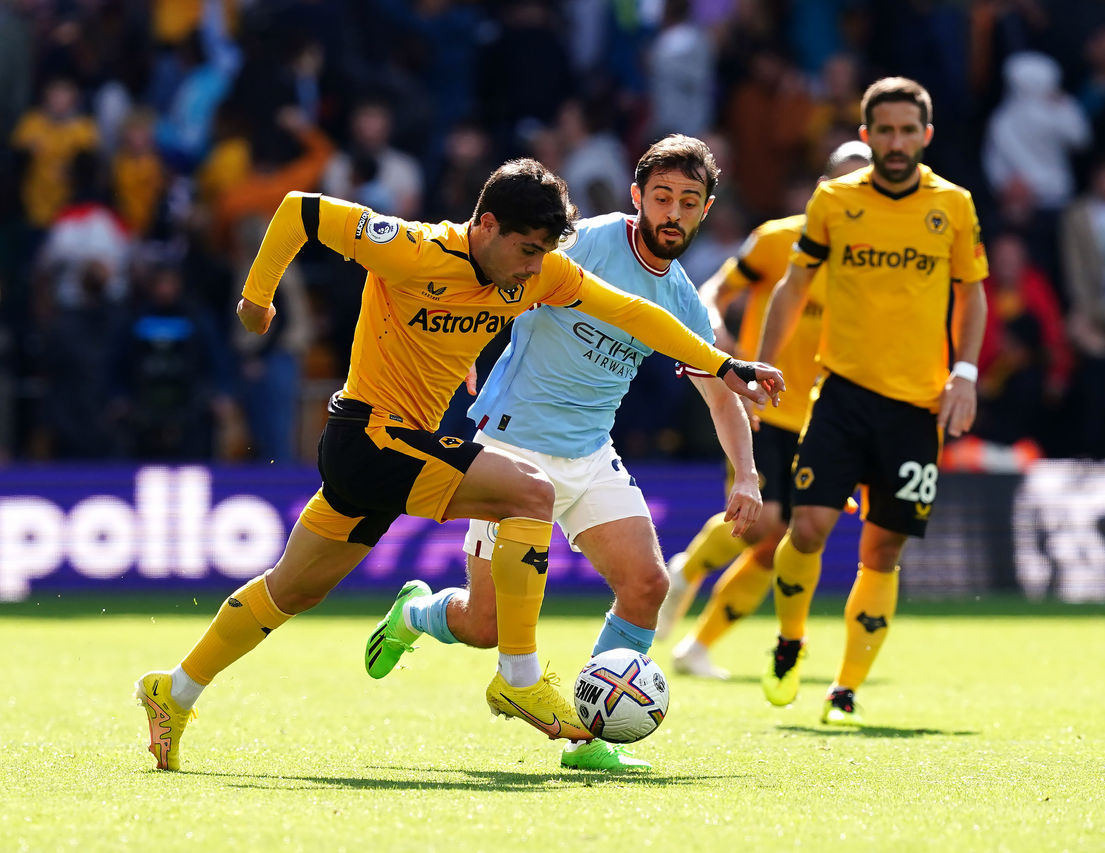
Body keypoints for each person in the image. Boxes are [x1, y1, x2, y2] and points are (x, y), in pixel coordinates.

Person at [134, 158, 782, 771]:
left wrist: (726, 365)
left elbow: (633, 312)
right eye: (527, 250)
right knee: (529, 492)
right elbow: (300, 209)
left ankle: (174, 689)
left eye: (544, 253)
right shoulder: (411, 248)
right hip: (368, 436)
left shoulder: (539, 272)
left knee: (291, 590)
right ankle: (519, 679)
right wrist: (257, 297)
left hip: (399, 448)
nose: (535, 268)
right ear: (488, 225)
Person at [363, 135, 761, 772]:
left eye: (689, 202)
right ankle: (414, 612)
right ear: (637, 196)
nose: (673, 213)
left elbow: (720, 394)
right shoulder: (587, 241)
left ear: (705, 210)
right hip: (510, 443)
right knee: (485, 626)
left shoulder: (683, 298)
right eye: (662, 197)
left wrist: (746, 475)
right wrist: (461, 345)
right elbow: (497, 269)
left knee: (648, 585)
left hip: (590, 453)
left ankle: (588, 737)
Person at [757, 77, 988, 725]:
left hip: (918, 408)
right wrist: (763, 363)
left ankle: (845, 689)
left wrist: (965, 372)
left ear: (926, 135)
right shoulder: (834, 200)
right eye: (884, 130)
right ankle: (789, 640)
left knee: (883, 551)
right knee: (807, 527)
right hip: (842, 394)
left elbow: (972, 292)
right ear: (867, 135)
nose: (896, 142)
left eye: (907, 130)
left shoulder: (954, 205)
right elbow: (793, 284)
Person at [658, 141, 873, 681]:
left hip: (824, 417)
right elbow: (716, 289)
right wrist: (720, 337)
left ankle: (697, 646)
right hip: (764, 405)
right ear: (823, 190)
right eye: (845, 184)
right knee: (768, 522)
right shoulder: (779, 239)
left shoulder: (873, 261)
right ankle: (684, 572)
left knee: (783, 539)